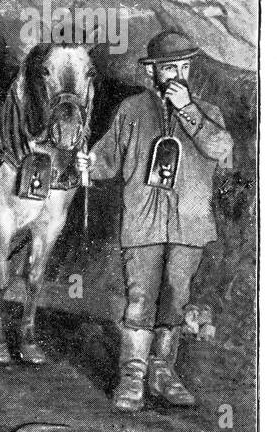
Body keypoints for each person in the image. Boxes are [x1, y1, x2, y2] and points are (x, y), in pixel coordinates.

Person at [76, 30, 233, 412]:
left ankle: (163, 372)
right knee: (140, 298)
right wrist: (90, 164)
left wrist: (187, 111)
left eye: (183, 67)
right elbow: (109, 159)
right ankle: (132, 375)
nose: (177, 74)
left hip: (189, 225)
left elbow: (220, 148)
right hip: (143, 222)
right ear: (153, 73)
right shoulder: (131, 110)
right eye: (169, 68)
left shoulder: (208, 112)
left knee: (176, 299)